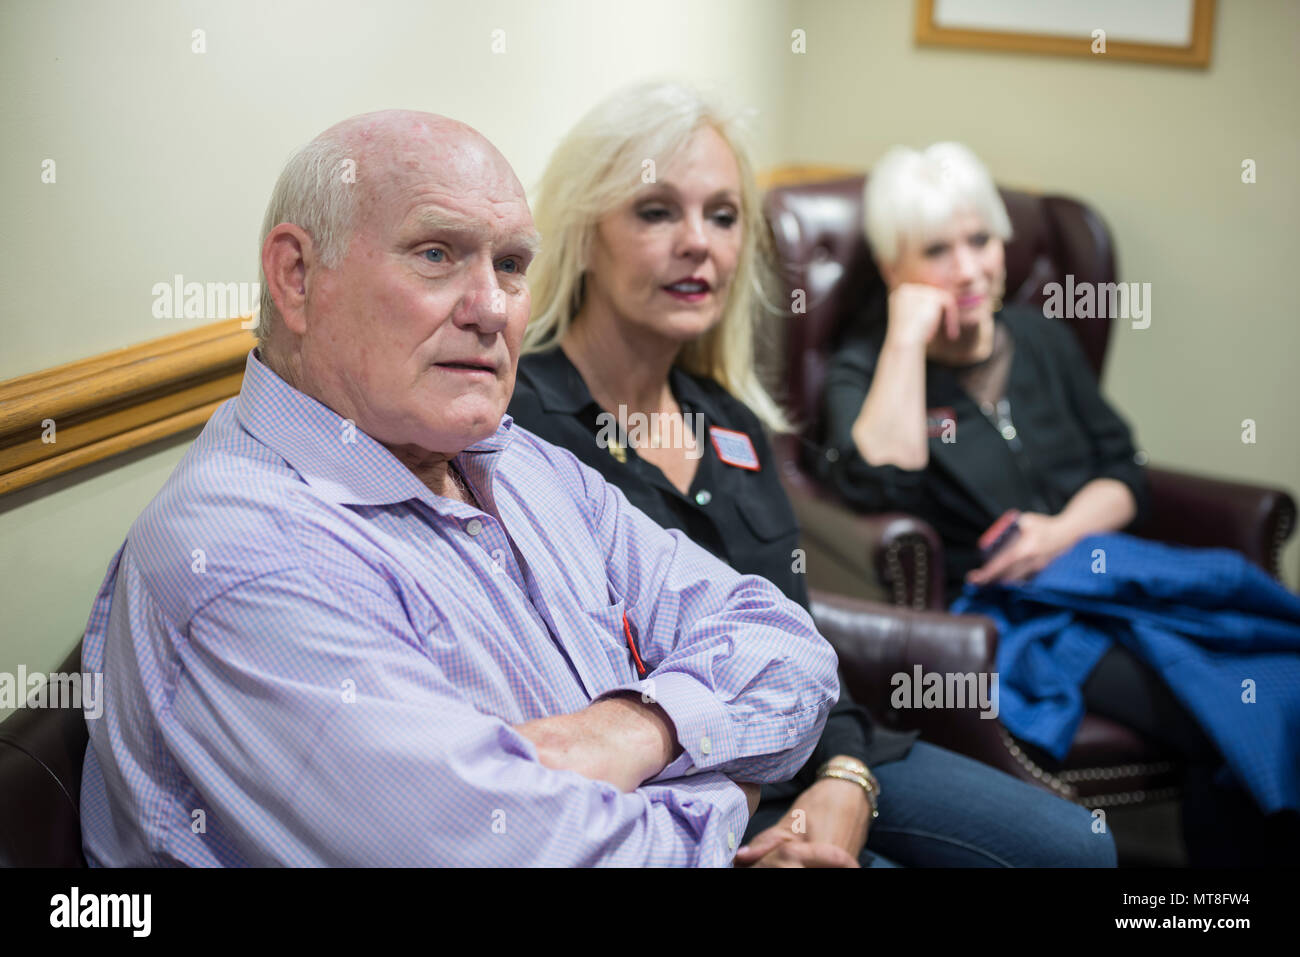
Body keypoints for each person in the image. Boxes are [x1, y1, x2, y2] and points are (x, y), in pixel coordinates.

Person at [78, 110, 843, 867]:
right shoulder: (244, 553)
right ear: (297, 277)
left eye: (510, 265)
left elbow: (790, 647)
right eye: (437, 254)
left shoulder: (518, 462)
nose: (490, 311)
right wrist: (731, 789)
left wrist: (637, 728)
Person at [508, 82, 1115, 867]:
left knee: (1078, 850)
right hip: (674, 780)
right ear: (586, 235)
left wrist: (847, 773)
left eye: (723, 216)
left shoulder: (731, 421)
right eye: (656, 211)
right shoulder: (519, 417)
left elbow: (791, 632)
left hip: (811, 743)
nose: (700, 243)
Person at [818, 142, 1300, 865]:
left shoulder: (1041, 339)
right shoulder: (872, 367)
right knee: (1224, 712)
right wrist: (908, 340)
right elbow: (875, 483)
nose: (970, 269)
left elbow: (1122, 470)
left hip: (1109, 574)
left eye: (980, 240)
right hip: (1015, 616)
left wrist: (1062, 530)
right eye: (937, 251)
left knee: (1277, 679)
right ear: (895, 270)